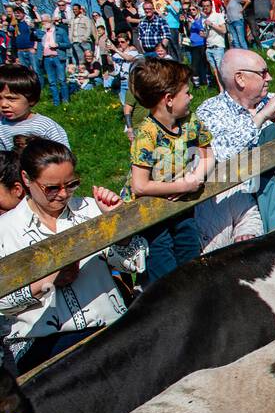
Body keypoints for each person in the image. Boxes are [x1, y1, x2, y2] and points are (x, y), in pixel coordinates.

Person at [0, 138, 147, 374]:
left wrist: (119, 226)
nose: (63, 194)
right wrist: (44, 283)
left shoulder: (90, 209)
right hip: (42, 343)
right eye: (52, 188)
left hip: (106, 326)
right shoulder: (5, 230)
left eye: (71, 184)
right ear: (27, 179)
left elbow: (134, 264)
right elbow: (2, 303)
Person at [193, 48, 275, 252]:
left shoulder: (272, 100)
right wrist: (260, 119)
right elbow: (221, 154)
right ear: (240, 79)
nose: (269, 78)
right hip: (225, 206)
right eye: (263, 72)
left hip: (273, 202)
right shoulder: (210, 111)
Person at [127, 58, 214, 285]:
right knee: (163, 275)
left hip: (182, 207)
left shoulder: (190, 121)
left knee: (191, 264)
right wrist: (182, 186)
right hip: (152, 216)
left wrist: (195, 177)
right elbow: (140, 184)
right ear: (168, 100)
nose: (191, 97)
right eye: (187, 92)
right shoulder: (147, 134)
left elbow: (208, 154)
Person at [0, 63, 68, 150]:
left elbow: (64, 157)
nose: (3, 104)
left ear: (31, 99)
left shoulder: (45, 127)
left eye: (11, 99)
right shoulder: (1, 125)